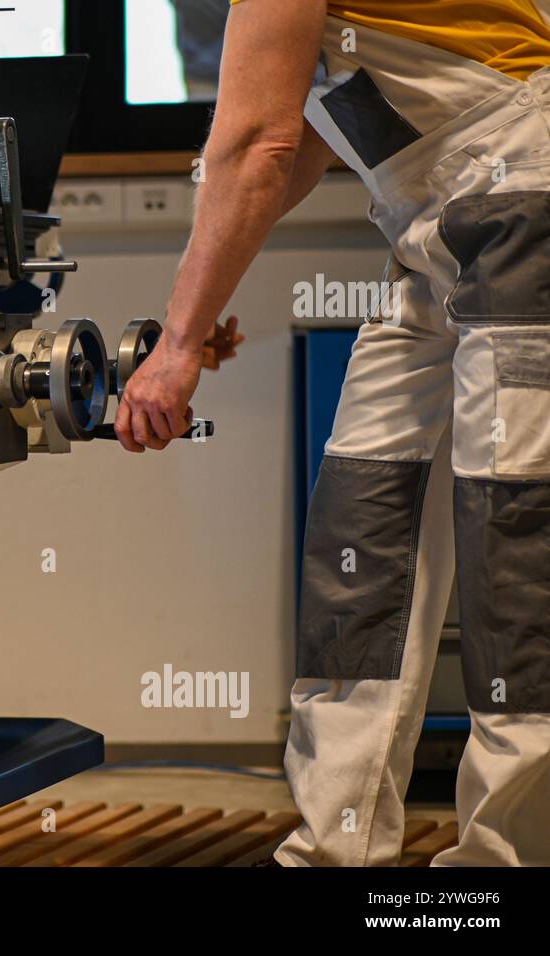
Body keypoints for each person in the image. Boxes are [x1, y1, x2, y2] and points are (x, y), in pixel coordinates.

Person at [117, 0, 550, 866]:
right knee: (365, 530)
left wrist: (176, 343)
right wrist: (192, 317)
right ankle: (336, 851)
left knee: (517, 564)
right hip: (441, 228)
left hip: (518, 206)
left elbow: (255, 147)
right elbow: (307, 136)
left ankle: (507, 867)